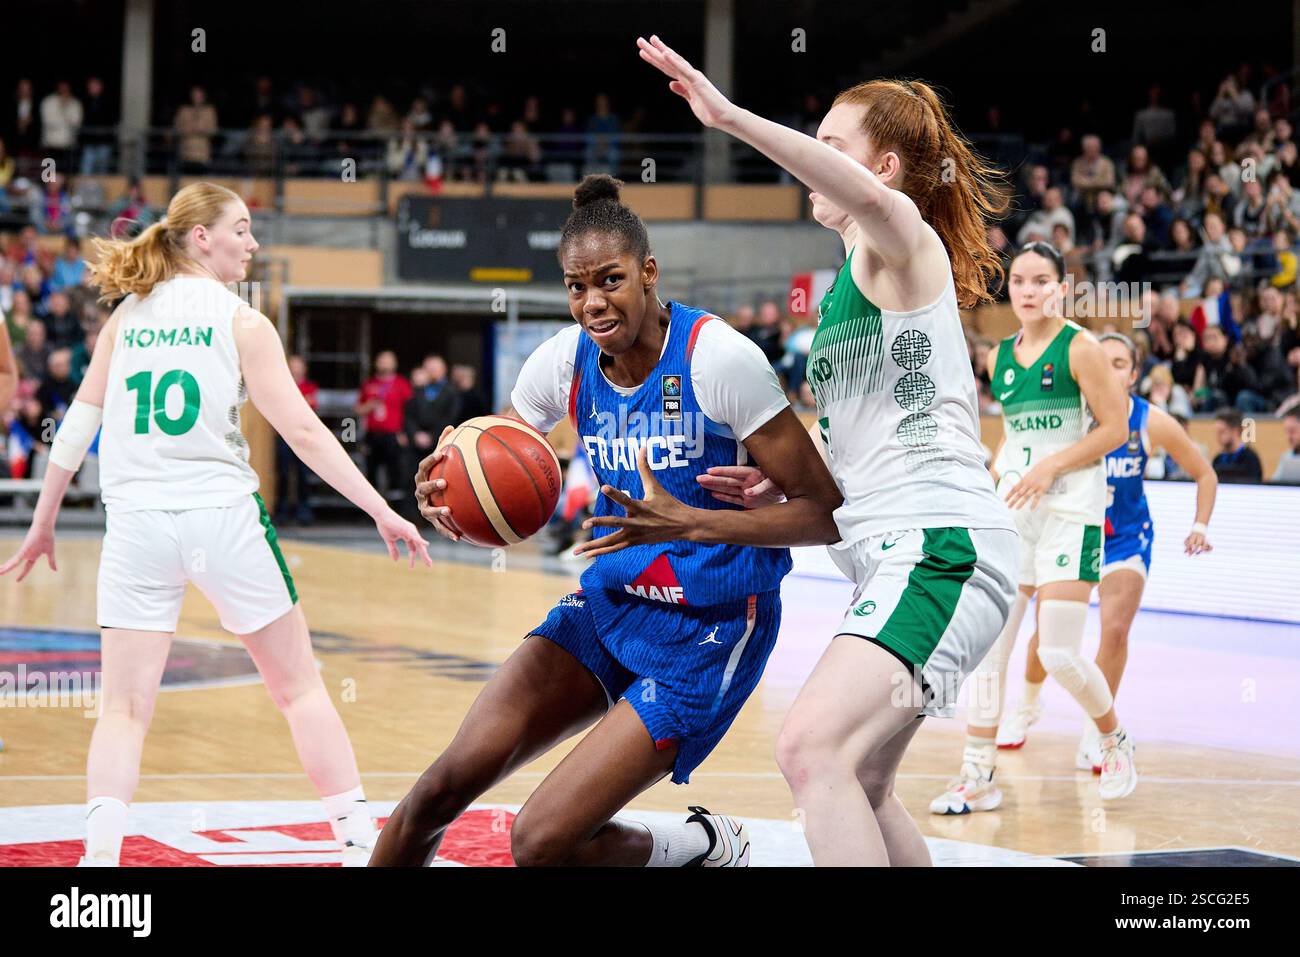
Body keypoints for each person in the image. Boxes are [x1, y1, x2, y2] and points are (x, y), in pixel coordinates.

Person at [371, 174, 841, 867]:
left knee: (540, 841)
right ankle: (699, 847)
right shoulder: (563, 360)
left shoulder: (720, 359)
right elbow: (491, 458)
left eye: (610, 280)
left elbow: (824, 514)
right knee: (437, 791)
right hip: (611, 602)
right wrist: (446, 487)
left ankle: (697, 847)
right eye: (575, 286)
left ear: (649, 273)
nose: (592, 302)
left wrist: (690, 523)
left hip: (711, 627)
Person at [627, 36, 1021, 865]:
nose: (814, 163)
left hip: (938, 547)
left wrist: (728, 116)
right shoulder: (848, 291)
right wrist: (780, 487)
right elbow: (854, 461)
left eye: (830, 148)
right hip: (895, 555)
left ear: (881, 169)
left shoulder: (904, 242)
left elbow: (876, 202)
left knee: (810, 749)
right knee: (862, 783)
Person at [0, 182, 430, 867]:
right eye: (242, 228)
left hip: (137, 524)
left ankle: (100, 859)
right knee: (299, 687)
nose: (253, 243)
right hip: (221, 518)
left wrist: (44, 517)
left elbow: (79, 423)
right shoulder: (241, 321)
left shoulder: (125, 318)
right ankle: (356, 840)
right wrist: (380, 508)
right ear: (202, 237)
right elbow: (304, 433)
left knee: (123, 710)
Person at [931, 241, 1135, 811]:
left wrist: (1050, 466)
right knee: (990, 652)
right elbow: (1019, 437)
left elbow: (1115, 428)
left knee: (1061, 651)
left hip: (1072, 510)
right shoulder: (999, 358)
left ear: (1061, 288)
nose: (1027, 290)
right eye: (1019, 280)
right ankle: (978, 774)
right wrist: (996, 473)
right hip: (1015, 511)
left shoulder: (1082, 348)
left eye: (1041, 280)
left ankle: (1113, 738)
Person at [999, 333, 1217, 770]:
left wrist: (1199, 525)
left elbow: (1204, 473)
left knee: (1114, 630)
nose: (1111, 368)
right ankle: (1027, 705)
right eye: (1104, 360)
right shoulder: (1066, 414)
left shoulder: (1150, 421)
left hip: (1124, 539)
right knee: (1048, 636)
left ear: (1134, 373)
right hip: (1068, 531)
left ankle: (1095, 732)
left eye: (1120, 363)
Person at [355, 350, 412, 503]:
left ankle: (396, 509)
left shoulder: (402, 384)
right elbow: (357, 409)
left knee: (394, 472)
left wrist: (404, 433)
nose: (385, 363)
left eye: (388, 360)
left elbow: (410, 411)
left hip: (393, 435)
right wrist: (370, 405)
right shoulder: (369, 384)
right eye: (382, 360)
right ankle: (372, 509)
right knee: (371, 472)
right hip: (372, 435)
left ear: (395, 364)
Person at [274, 354, 319, 525]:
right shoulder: (281, 385)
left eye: (298, 365)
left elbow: (311, 405)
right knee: (284, 475)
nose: (295, 368)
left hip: (305, 437)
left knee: (303, 476)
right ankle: (282, 512)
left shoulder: (310, 386)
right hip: (285, 436)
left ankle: (304, 512)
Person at [1210, 407, 1263, 483]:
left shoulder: (1250, 459)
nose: (1218, 437)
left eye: (1222, 432)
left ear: (1236, 430)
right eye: (1217, 432)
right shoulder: (1218, 459)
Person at [1272, 410, 1300, 483]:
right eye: (1286, 432)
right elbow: (1274, 485)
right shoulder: (1286, 457)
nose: (1288, 437)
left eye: (1292, 431)